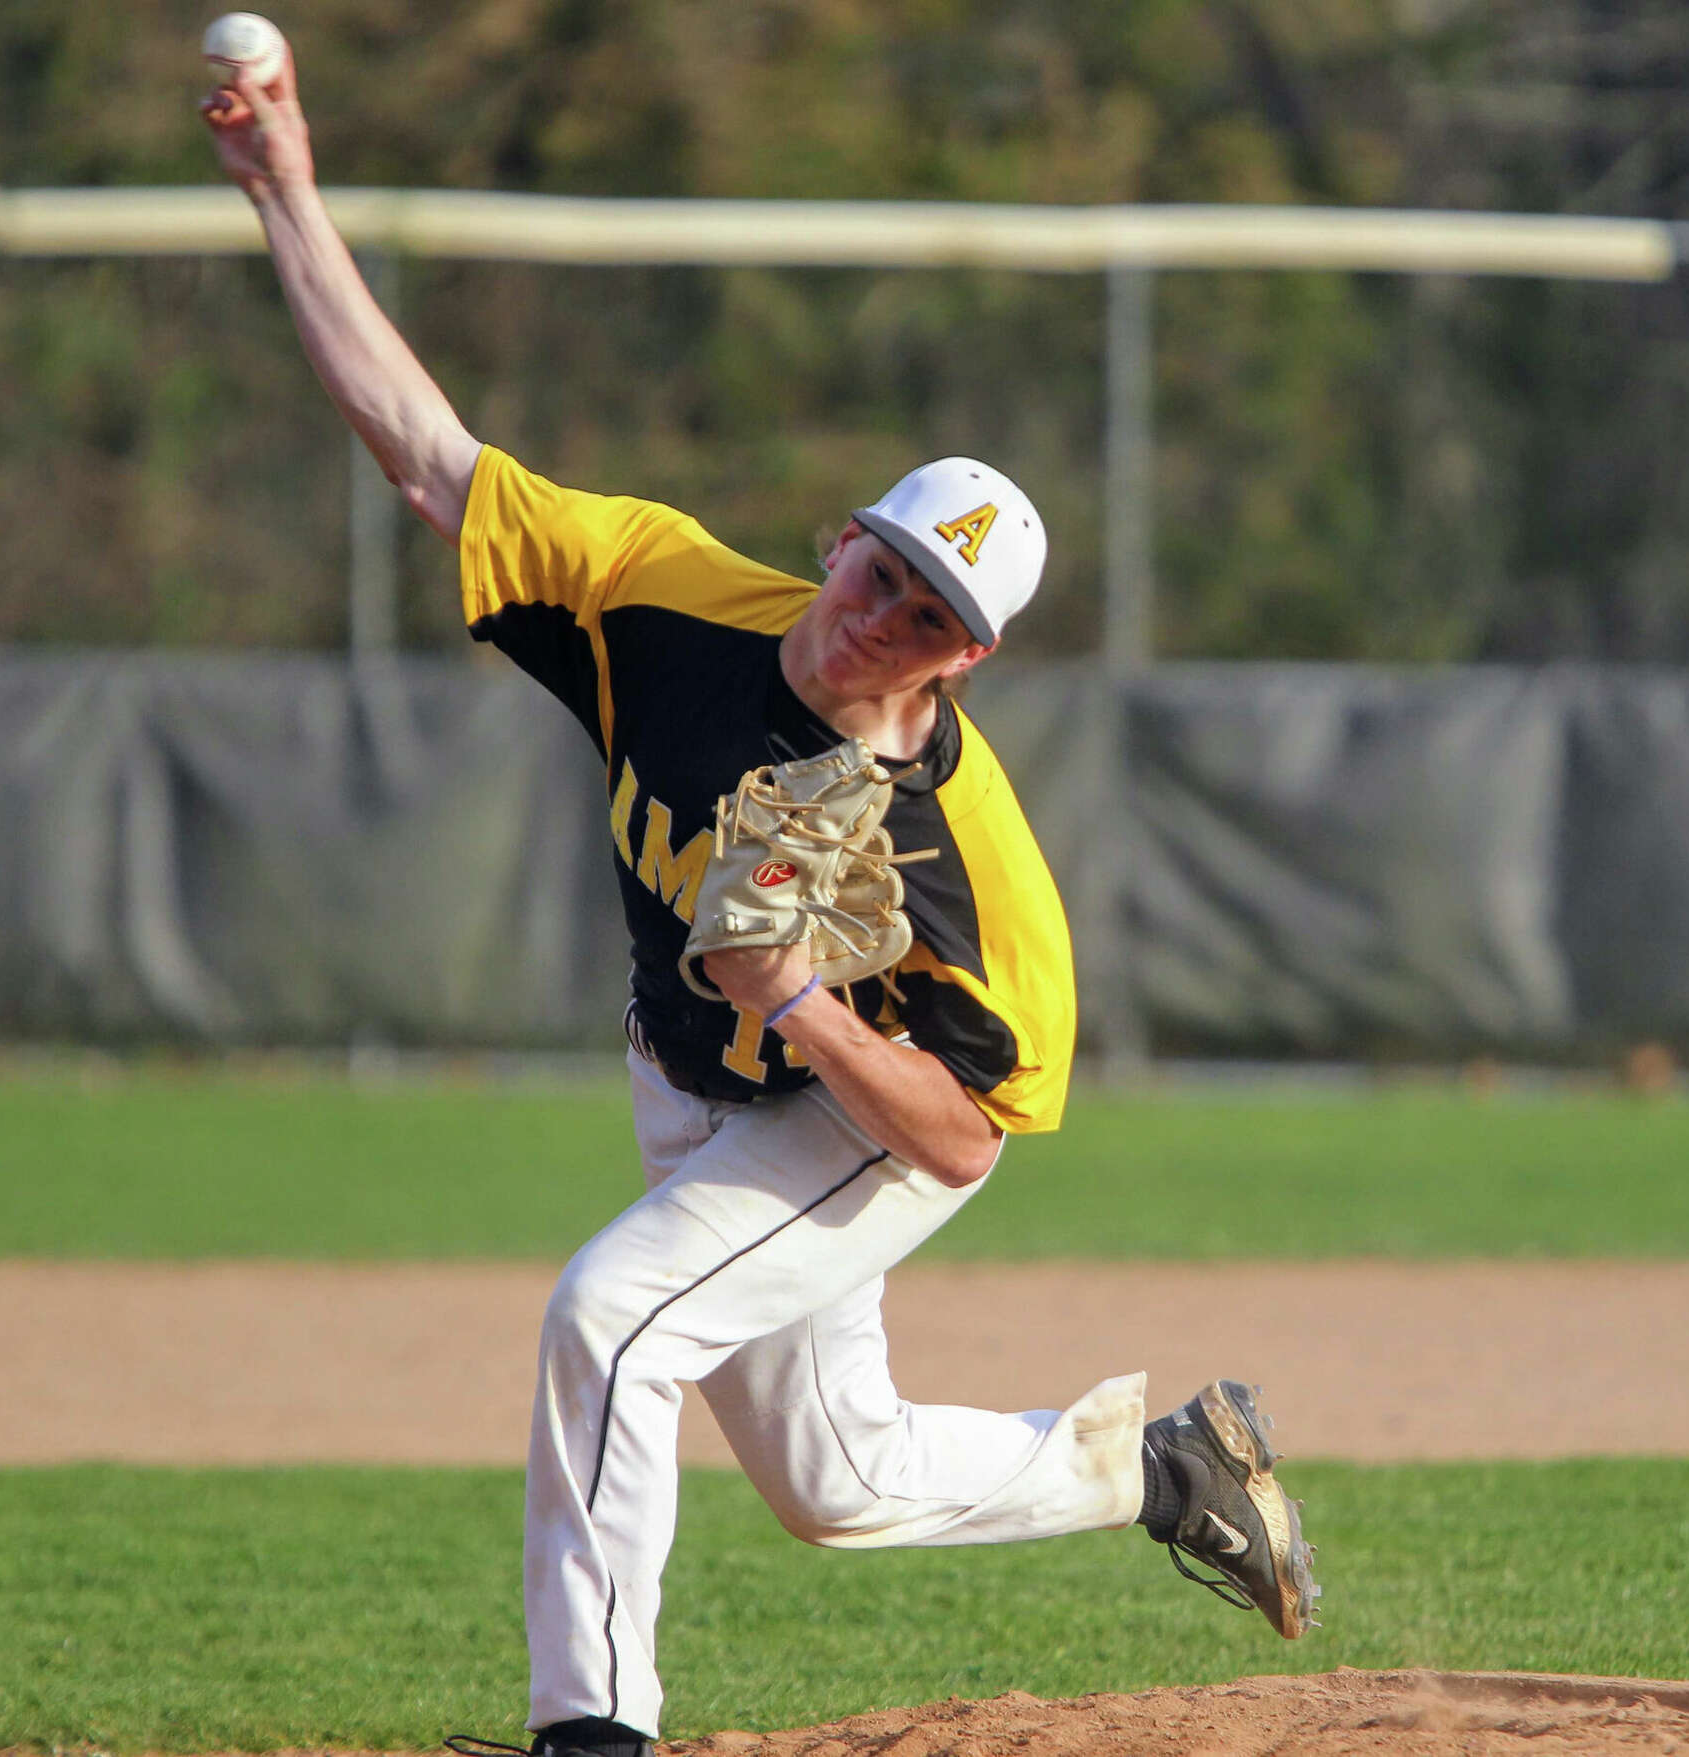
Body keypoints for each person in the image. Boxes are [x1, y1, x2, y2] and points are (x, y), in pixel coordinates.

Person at [201, 44, 1318, 1757]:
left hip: (847, 1117)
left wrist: (795, 999)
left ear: (970, 657)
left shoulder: (966, 859)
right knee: (834, 1481)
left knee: (608, 1322)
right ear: (843, 534)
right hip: (681, 1074)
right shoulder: (664, 591)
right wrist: (285, 187)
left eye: (935, 615)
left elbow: (965, 1139)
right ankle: (1168, 1473)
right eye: (889, 568)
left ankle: (593, 1730)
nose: (889, 615)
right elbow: (430, 457)